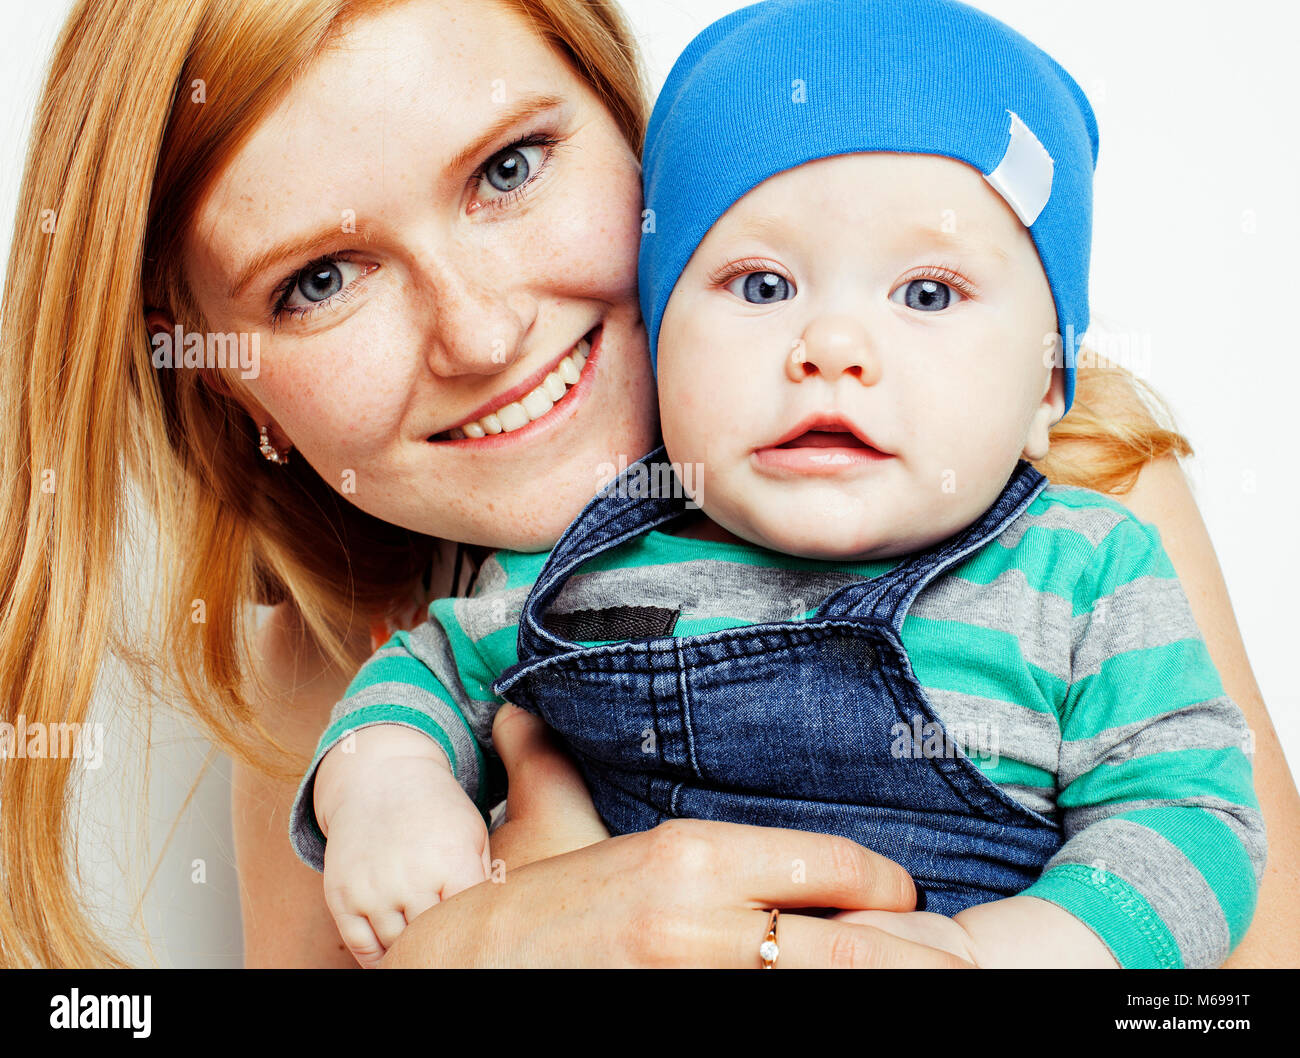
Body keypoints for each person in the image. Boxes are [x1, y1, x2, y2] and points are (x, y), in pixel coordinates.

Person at [1, 0, 1295, 970]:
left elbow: (1218, 892)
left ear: (638, 140)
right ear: (226, 386)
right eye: (320, 280)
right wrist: (465, 939)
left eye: (510, 168)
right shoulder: (330, 662)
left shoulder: (1075, 505)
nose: (481, 333)